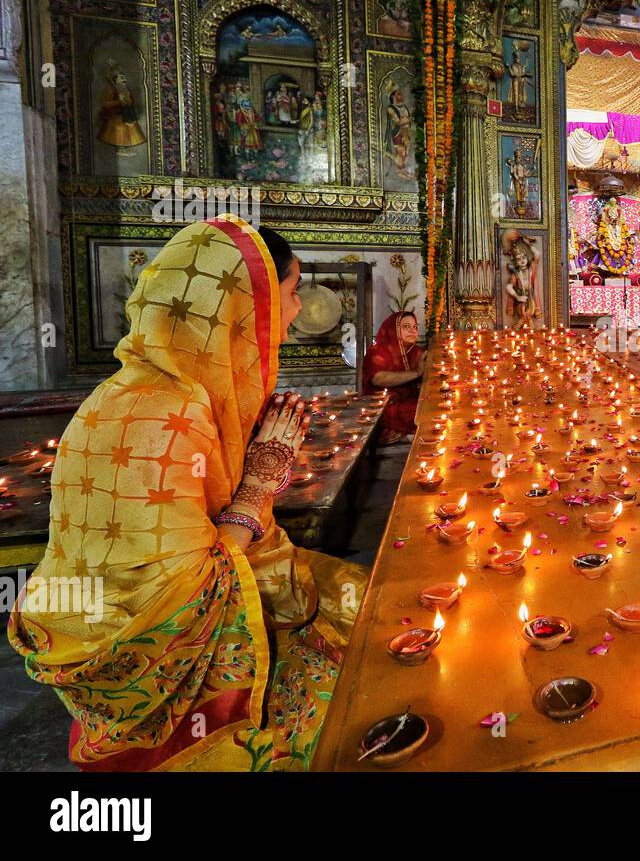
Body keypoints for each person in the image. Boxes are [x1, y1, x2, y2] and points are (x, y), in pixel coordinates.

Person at [7, 217, 367, 771]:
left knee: (365, 608)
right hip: (155, 674)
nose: (295, 314)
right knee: (358, 699)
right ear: (237, 309)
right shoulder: (170, 414)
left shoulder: (137, 389)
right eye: (290, 295)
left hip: (110, 629)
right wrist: (256, 489)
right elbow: (186, 595)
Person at [362, 311, 425, 444]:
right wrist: (417, 373)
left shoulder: (418, 352)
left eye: (415, 327)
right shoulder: (378, 351)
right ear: (393, 329)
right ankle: (412, 436)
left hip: (410, 400)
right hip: (384, 404)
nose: (412, 330)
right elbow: (378, 378)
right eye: (406, 326)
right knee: (418, 412)